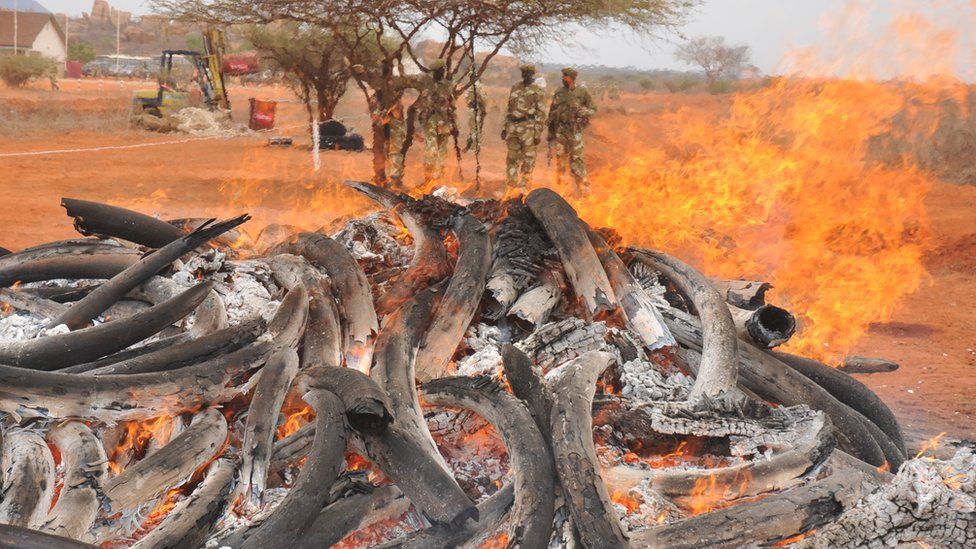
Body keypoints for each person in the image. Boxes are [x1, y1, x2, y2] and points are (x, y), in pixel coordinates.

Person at [350, 62, 409, 188]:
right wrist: (359, 70)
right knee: (379, 151)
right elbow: (363, 76)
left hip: (394, 123)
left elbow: (398, 103)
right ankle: (380, 177)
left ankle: (395, 180)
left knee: (395, 151)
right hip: (380, 124)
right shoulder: (376, 85)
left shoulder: (396, 84)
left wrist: (390, 114)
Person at [547, 67, 597, 193]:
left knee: (576, 160)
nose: (563, 78)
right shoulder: (559, 92)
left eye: (566, 76)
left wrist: (583, 112)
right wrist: (551, 134)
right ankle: (561, 189)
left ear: (572, 78)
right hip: (561, 130)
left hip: (575, 130)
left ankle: (583, 188)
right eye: (563, 76)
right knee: (560, 159)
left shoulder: (582, 92)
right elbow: (552, 114)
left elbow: (593, 109)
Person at [409, 59, 455, 184]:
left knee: (442, 152)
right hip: (430, 122)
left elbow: (451, 105)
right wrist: (417, 127)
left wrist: (454, 124)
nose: (442, 72)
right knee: (431, 150)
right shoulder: (427, 85)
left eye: (442, 70)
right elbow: (420, 106)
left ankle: (438, 179)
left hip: (444, 122)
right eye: (439, 71)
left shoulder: (447, 85)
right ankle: (428, 179)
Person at [502, 64, 547, 191]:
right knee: (512, 157)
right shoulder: (515, 87)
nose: (525, 75)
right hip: (512, 127)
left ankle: (524, 186)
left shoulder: (538, 90)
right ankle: (511, 185)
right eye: (523, 72)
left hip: (528, 128)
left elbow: (541, 113)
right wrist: (505, 128)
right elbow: (509, 109)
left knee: (528, 158)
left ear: (532, 74)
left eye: (528, 73)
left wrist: (537, 133)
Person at [465, 84, 487, 153]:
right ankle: (475, 147)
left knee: (472, 128)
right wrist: (483, 110)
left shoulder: (469, 86)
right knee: (476, 129)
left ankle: (472, 146)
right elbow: (483, 99)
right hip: (477, 110)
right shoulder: (479, 86)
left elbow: (466, 98)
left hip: (471, 110)